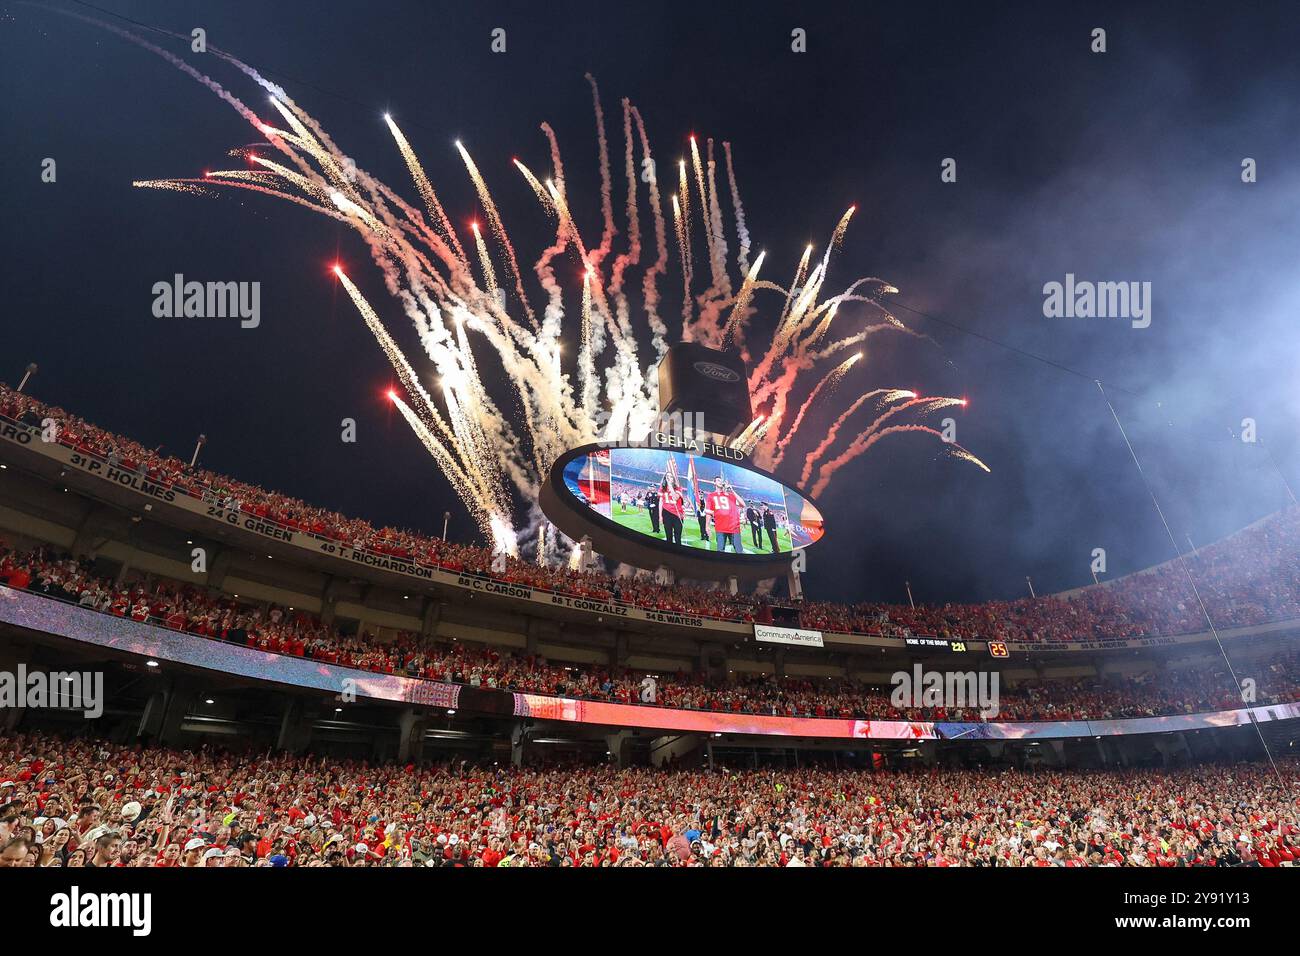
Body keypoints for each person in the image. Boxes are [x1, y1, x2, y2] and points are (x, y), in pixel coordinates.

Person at [704, 477, 745, 553]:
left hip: (734, 527)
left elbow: (743, 504)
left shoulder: (731, 495)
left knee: (739, 550)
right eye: (718, 480)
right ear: (714, 482)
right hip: (720, 528)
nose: (720, 482)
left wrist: (732, 490)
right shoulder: (711, 496)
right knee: (720, 551)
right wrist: (707, 526)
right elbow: (709, 513)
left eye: (721, 480)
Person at [660, 477, 684, 546]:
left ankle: (678, 553)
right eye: (667, 477)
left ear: (673, 479)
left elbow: (675, 497)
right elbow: (661, 502)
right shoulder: (662, 489)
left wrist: (670, 486)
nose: (669, 479)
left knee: (678, 537)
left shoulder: (678, 488)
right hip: (666, 513)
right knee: (668, 536)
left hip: (677, 514)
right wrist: (660, 516)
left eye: (670, 477)